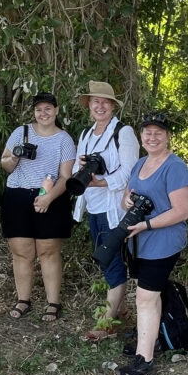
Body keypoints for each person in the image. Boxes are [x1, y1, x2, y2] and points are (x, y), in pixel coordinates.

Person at [117, 111, 188, 375]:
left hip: (163, 242)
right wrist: (127, 202)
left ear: (167, 136)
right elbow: (128, 194)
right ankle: (153, 338)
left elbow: (182, 211)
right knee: (149, 295)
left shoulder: (175, 167)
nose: (152, 137)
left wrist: (147, 225)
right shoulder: (140, 164)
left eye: (158, 133)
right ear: (141, 136)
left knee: (145, 297)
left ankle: (144, 359)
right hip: (140, 242)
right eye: (147, 132)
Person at [70, 81, 140, 340]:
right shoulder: (86, 134)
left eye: (105, 102)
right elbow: (81, 167)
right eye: (95, 102)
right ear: (89, 105)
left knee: (111, 260)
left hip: (115, 209)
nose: (99, 106)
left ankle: (106, 322)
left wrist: (101, 181)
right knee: (105, 257)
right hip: (95, 207)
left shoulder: (123, 132)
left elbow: (130, 171)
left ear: (112, 105)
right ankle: (121, 311)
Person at [0, 92, 77, 322]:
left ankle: (53, 303)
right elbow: (5, 162)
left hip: (49, 197)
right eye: (38, 109)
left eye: (47, 109)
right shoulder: (21, 132)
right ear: (33, 112)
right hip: (17, 196)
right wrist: (13, 159)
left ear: (56, 110)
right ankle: (23, 299)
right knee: (21, 253)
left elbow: (65, 176)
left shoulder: (64, 139)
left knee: (48, 252)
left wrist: (48, 198)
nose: (43, 113)